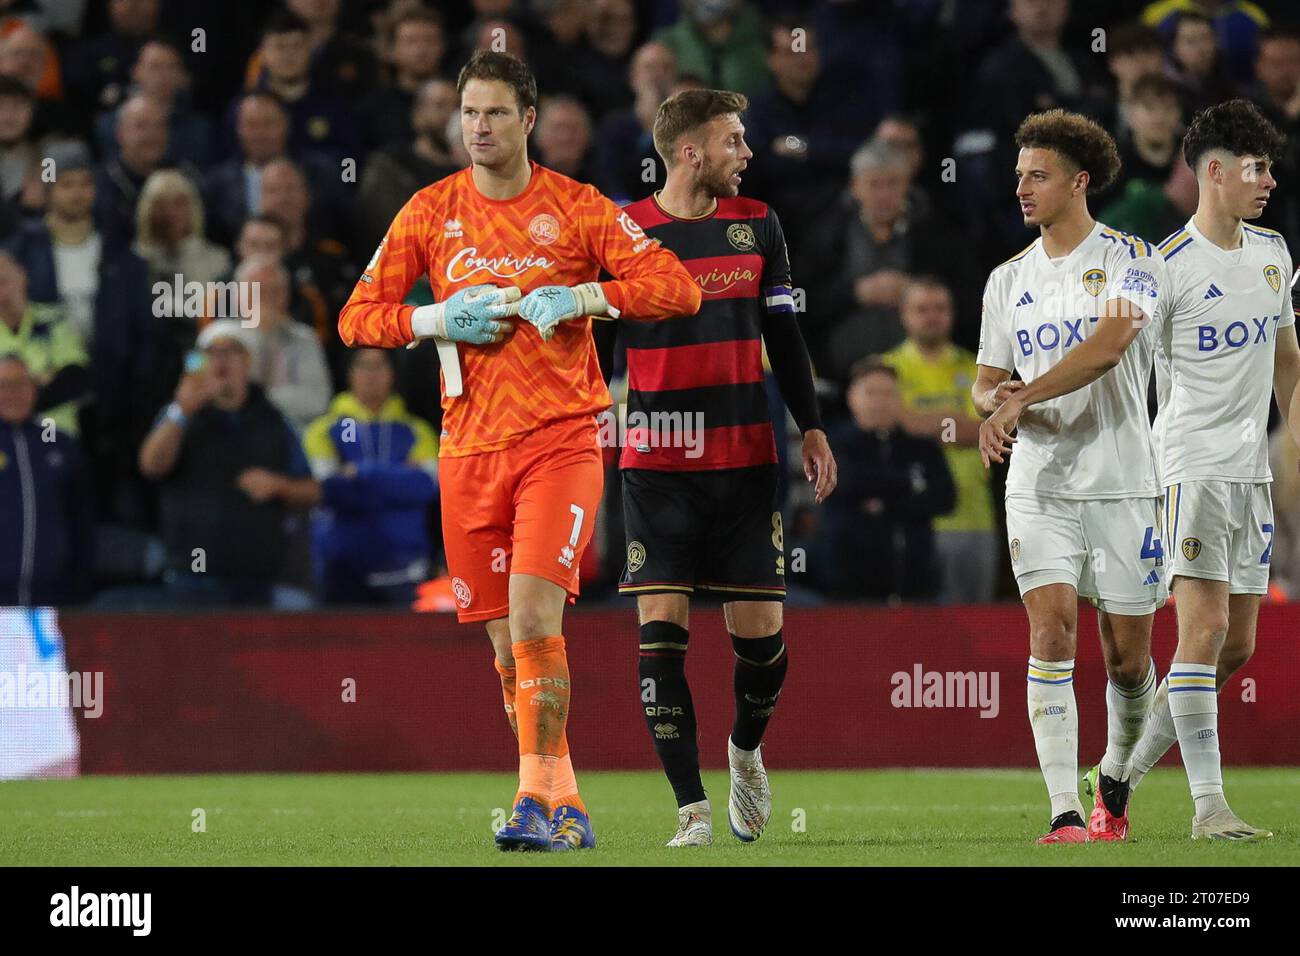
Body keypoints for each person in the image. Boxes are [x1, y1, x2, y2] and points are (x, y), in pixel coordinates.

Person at [337, 50, 701, 852]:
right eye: (469, 113)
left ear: (529, 120)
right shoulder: (430, 211)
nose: (479, 128)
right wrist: (438, 318)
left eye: (496, 113)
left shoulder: (576, 208)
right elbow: (357, 317)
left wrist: (583, 297)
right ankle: (565, 803)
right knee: (506, 647)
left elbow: (676, 286)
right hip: (466, 451)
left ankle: (531, 802)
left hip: (561, 440)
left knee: (536, 620)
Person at [614, 88, 835, 847]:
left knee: (763, 643)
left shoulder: (758, 225)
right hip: (655, 461)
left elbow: (786, 330)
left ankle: (744, 750)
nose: (747, 153)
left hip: (746, 458)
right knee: (661, 629)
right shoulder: (626, 231)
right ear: (690, 152)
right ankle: (691, 810)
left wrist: (812, 426)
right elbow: (594, 335)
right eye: (734, 140)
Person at [974, 109, 1167, 844]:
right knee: (1051, 633)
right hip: (1040, 481)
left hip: (1122, 479)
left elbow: (1110, 347)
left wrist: (1021, 396)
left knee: (1128, 658)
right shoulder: (1007, 279)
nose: (1021, 187)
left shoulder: (1134, 260)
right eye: (1019, 175)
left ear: (1079, 181)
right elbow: (986, 378)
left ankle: (1113, 777)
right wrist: (993, 402)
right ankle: (1062, 814)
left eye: (1037, 175)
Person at [1122, 99, 1300, 841]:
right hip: (1189, 466)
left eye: (1271, 168)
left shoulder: (1274, 251)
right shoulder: (1160, 267)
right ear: (1216, 172)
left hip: (1251, 471)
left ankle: (1119, 775)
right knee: (1203, 631)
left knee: (1237, 647)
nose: (1268, 181)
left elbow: (1287, 360)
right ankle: (1209, 809)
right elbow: (1118, 363)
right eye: (1256, 168)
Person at [137, 319, 321, 607]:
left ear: (248, 362)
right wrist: (181, 412)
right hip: (191, 577)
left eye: (231, 351)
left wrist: (279, 486)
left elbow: (312, 491)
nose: (221, 361)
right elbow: (151, 466)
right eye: (212, 353)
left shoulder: (275, 420)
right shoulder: (179, 416)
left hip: (258, 581)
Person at [883, 278, 995, 604]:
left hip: (975, 515)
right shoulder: (888, 368)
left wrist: (924, 423)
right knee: (923, 629)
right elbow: (895, 425)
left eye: (940, 308)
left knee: (978, 624)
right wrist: (955, 421)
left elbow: (987, 430)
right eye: (921, 309)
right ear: (904, 314)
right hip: (913, 518)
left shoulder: (978, 368)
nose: (931, 316)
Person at [304, 348, 438, 605]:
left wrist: (362, 473)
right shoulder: (322, 430)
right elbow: (331, 490)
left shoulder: (418, 430)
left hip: (405, 567)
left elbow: (427, 487)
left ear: (392, 374)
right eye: (363, 366)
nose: (371, 375)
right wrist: (399, 480)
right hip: (341, 567)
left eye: (379, 366)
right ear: (349, 373)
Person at [813, 359, 953, 601]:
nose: (879, 401)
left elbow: (945, 498)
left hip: (917, 586)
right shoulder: (832, 444)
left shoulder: (923, 447)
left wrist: (884, 504)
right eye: (871, 393)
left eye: (888, 393)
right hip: (850, 588)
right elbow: (844, 484)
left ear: (900, 399)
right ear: (851, 397)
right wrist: (910, 483)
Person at [0, 352, 93, 606]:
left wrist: (79, 585)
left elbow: (81, 521)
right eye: (3, 386)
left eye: (20, 384)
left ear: (34, 389)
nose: (12, 393)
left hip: (53, 600)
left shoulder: (61, 445)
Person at [236, 255, 331, 431]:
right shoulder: (219, 339)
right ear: (239, 296)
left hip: (293, 437)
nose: (269, 300)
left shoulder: (305, 339)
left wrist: (260, 399)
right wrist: (261, 338)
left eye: (277, 291)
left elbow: (317, 401)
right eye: (259, 291)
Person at [0, 251, 87, 436]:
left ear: (22, 275)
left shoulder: (55, 320)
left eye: (3, 281)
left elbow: (76, 377)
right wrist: (37, 381)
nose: (2, 293)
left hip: (55, 433)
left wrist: (13, 392)